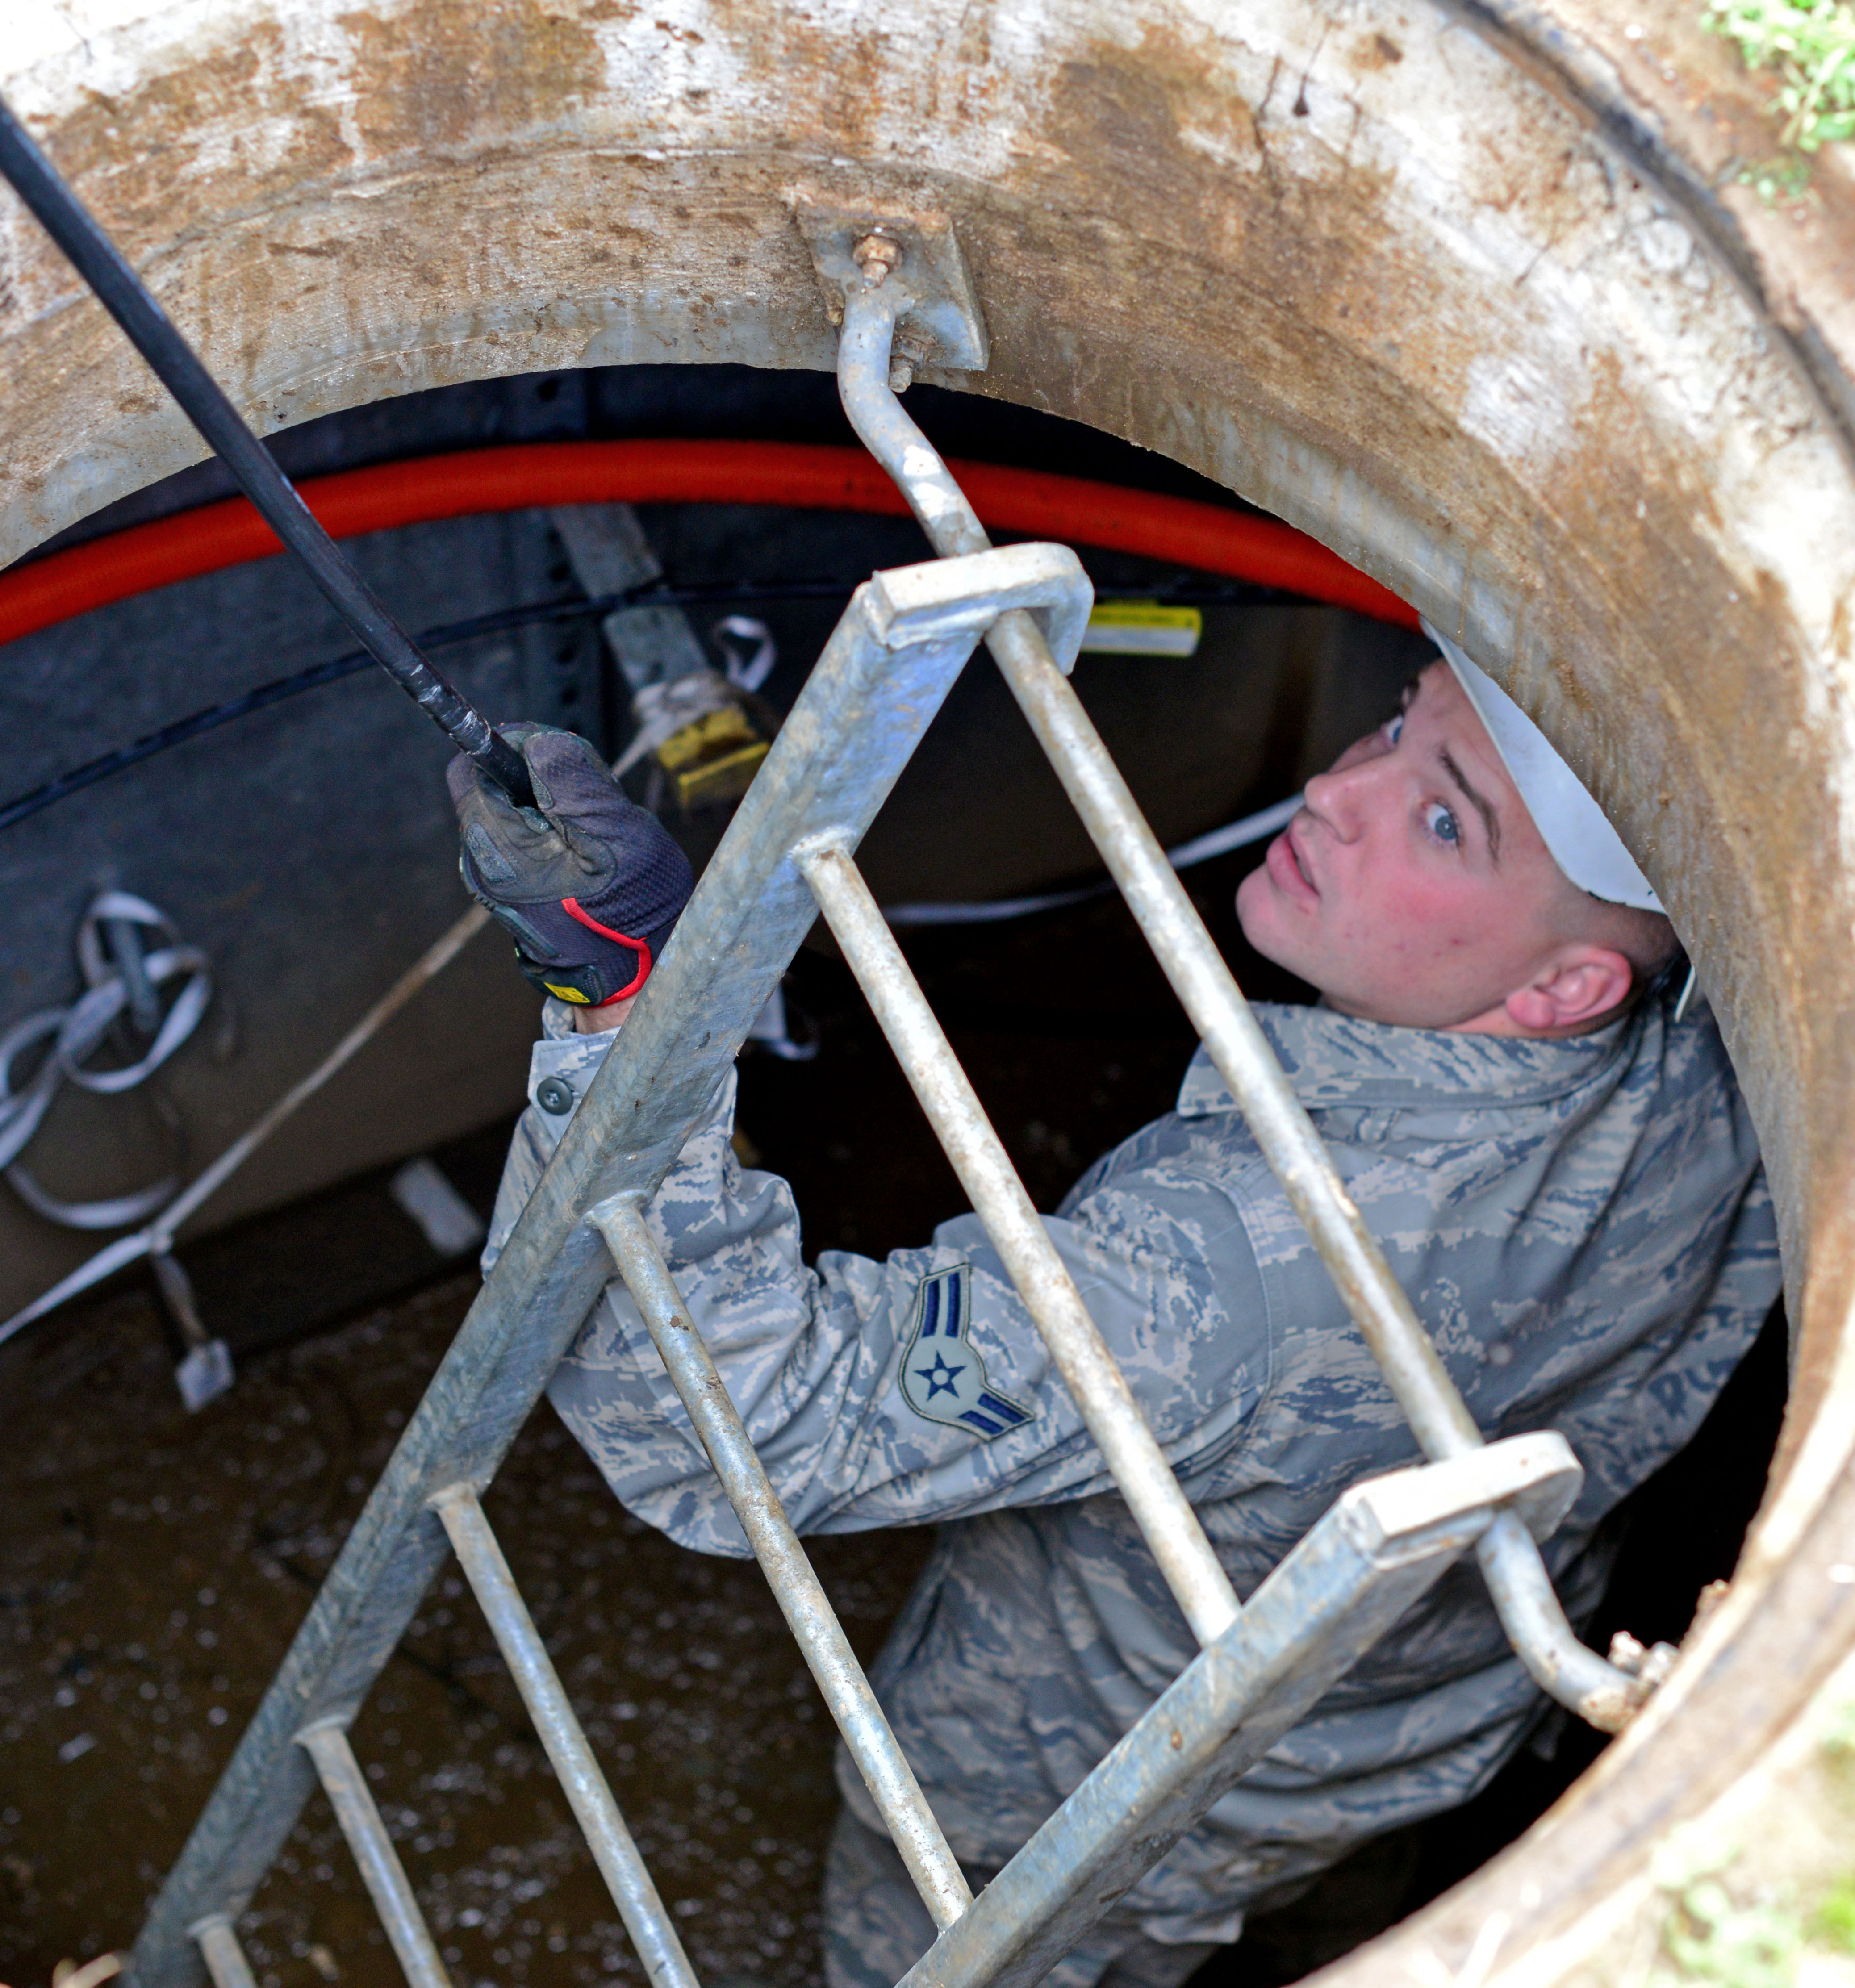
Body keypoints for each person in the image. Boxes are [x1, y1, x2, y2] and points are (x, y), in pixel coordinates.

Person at [448, 631, 1778, 1988]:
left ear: (1564, 989)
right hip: (1401, 1751)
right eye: (1392, 727)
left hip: (1055, 1830)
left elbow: (733, 1419)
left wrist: (624, 1005)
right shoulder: (1730, 1062)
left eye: (1444, 820)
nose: (1336, 791)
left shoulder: (1218, 1270)